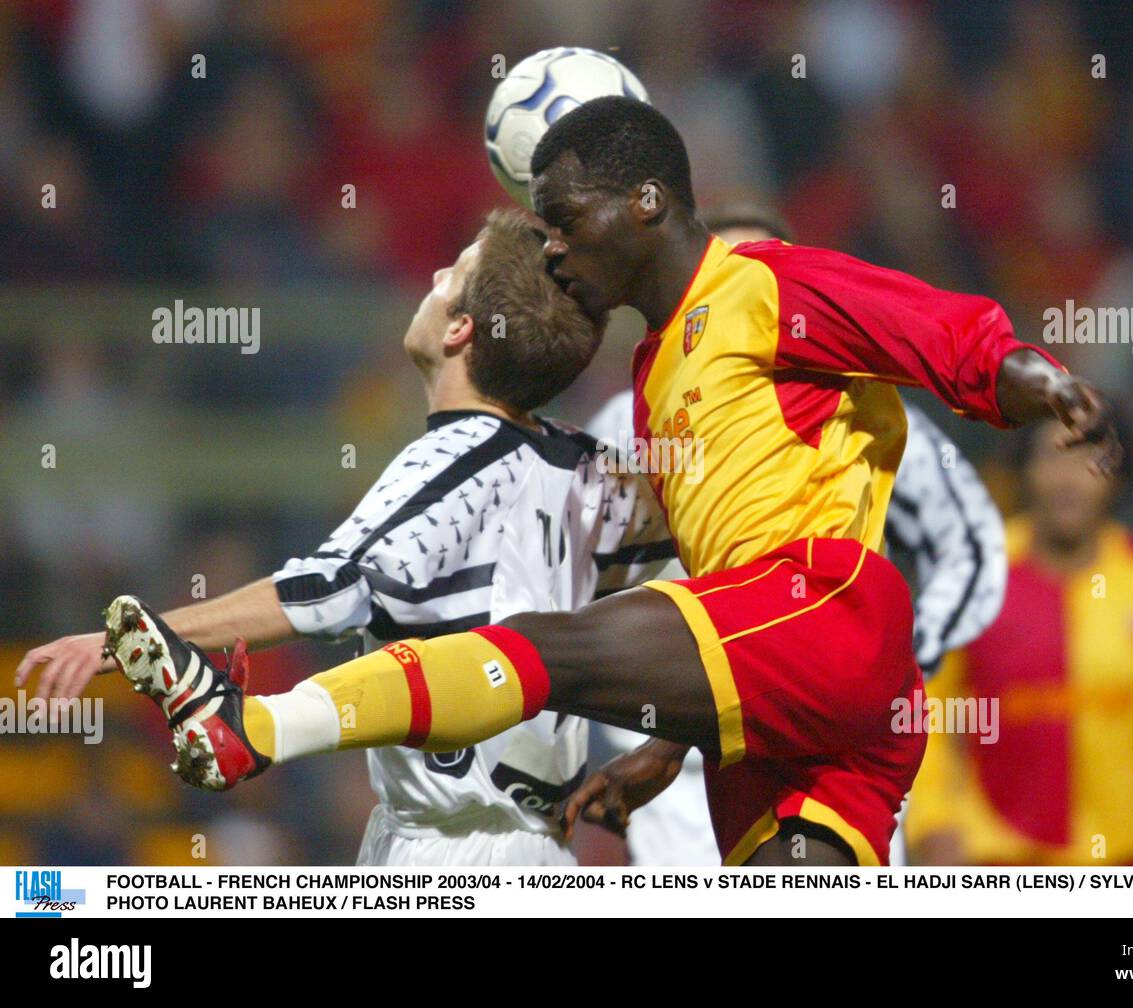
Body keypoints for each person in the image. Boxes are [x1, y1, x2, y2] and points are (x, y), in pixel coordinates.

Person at [101, 97, 1118, 867]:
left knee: (541, 653)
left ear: (644, 203)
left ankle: (256, 729)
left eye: (558, 218)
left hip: (822, 603)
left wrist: (1039, 378)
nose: (548, 244)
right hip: (799, 690)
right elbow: (710, 600)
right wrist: (666, 747)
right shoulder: (652, 370)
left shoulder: (761, 282)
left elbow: (928, 328)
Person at [18, 208, 674, 866]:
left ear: (462, 329)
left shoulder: (453, 457)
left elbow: (328, 588)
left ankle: (256, 728)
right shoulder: (595, 473)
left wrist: (129, 641)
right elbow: (704, 577)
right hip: (538, 853)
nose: (439, 273)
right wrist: (667, 743)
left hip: (446, 852)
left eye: (457, 271)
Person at [580, 203, 1008, 865]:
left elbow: (971, 543)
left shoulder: (860, 399)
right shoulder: (624, 423)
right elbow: (577, 582)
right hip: (687, 763)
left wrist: (900, 658)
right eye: (729, 278)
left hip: (832, 743)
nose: (749, 294)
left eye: (769, 273)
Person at [904, 417, 1133, 865]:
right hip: (991, 866)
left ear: (1117, 474)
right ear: (1023, 469)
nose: (1068, 478)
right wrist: (932, 824)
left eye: (1089, 458)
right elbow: (925, 712)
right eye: (1051, 457)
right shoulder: (972, 574)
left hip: (1126, 865)